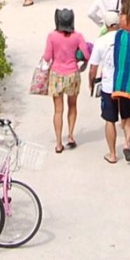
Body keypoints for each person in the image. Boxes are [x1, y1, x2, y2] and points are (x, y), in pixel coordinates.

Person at [89, 20, 130, 163]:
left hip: (109, 86)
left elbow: (93, 67)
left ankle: (112, 154)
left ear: (106, 25)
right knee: (129, 116)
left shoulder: (101, 41)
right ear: (118, 24)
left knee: (110, 120)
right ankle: (127, 143)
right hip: (126, 85)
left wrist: (91, 83)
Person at [42, 9, 90, 153]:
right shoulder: (78, 36)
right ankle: (70, 135)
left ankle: (58, 143)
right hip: (72, 74)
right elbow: (86, 54)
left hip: (56, 74)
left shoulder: (52, 36)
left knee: (58, 110)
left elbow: (46, 57)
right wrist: (78, 58)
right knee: (72, 106)